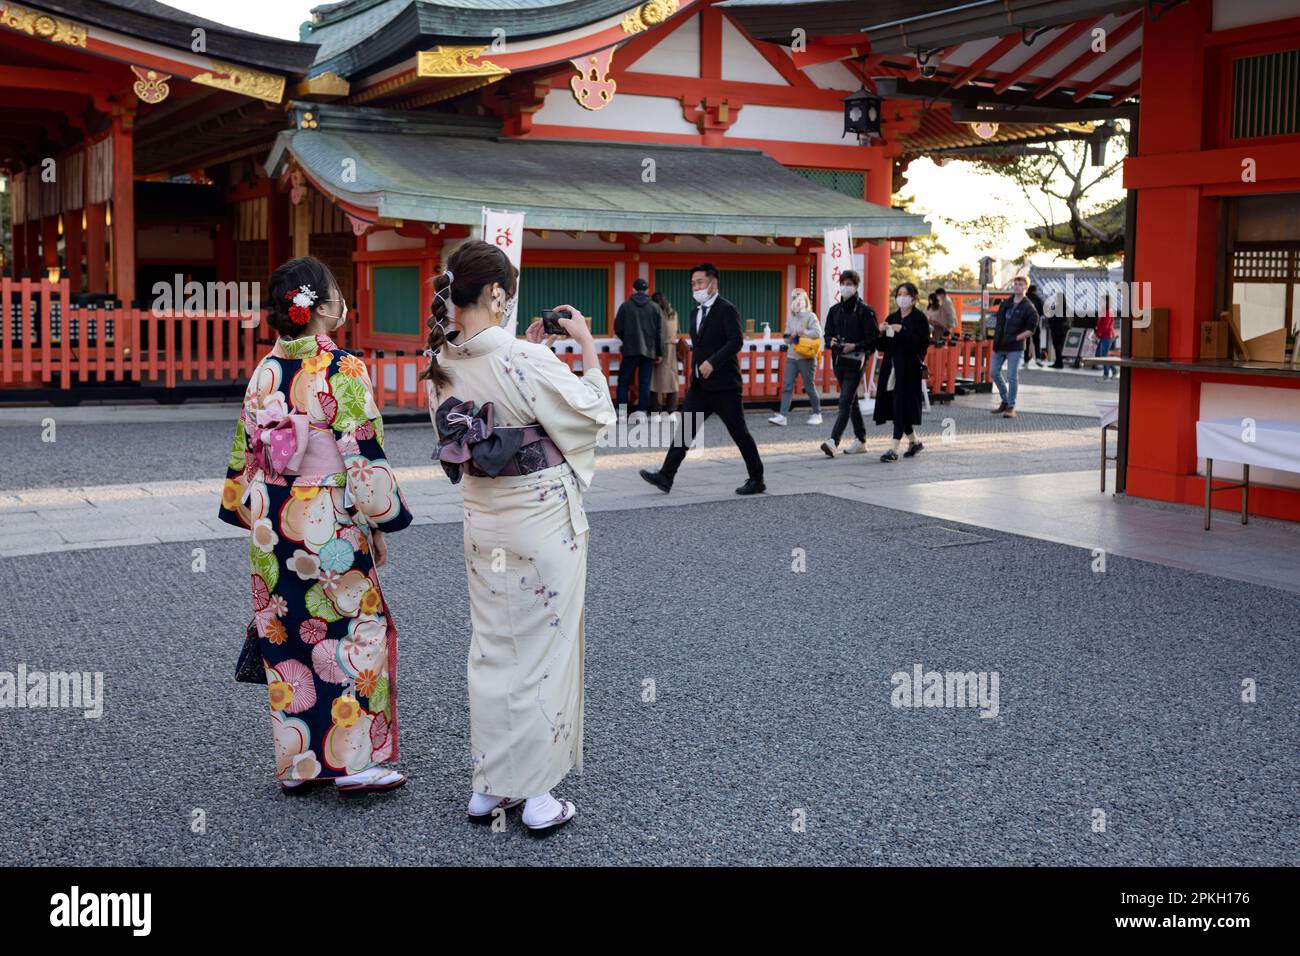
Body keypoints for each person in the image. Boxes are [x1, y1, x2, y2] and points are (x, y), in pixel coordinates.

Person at [422, 240, 615, 833]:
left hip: (482, 513)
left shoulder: (440, 360)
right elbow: (590, 411)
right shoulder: (522, 358)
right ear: (498, 293)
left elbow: (495, 398)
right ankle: (535, 797)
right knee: (542, 650)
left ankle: (490, 786)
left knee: (494, 646)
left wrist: (528, 353)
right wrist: (583, 344)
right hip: (538, 519)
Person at [218, 255, 414, 794]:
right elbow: (361, 448)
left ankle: (300, 763)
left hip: (270, 517)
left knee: (286, 638)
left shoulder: (265, 369)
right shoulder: (342, 367)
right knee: (353, 628)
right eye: (336, 293)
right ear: (323, 308)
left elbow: (247, 449)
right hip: (327, 516)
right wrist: (380, 514)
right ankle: (353, 764)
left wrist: (246, 506)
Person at [639, 262, 765, 495]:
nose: (695, 287)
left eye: (700, 282)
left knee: (739, 432)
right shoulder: (695, 312)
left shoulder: (726, 309)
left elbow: (735, 341)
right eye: (693, 283)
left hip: (725, 386)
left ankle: (757, 478)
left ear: (713, 283)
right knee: (685, 430)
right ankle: (666, 476)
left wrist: (712, 362)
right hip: (701, 386)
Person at [819, 269, 878, 457]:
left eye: (849, 284)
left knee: (844, 400)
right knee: (851, 401)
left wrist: (855, 345)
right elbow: (827, 334)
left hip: (856, 362)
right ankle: (861, 440)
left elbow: (873, 339)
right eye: (843, 283)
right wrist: (831, 342)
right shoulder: (834, 310)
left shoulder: (865, 311)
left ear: (856, 286)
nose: (846, 287)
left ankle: (833, 441)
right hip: (838, 361)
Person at [874, 282, 931, 461]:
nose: (902, 297)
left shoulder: (920, 319)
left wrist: (903, 331)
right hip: (891, 368)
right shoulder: (892, 317)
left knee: (900, 405)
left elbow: (921, 344)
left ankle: (893, 448)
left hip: (909, 370)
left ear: (914, 298)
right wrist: (881, 333)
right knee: (897, 405)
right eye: (899, 294)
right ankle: (914, 441)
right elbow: (881, 346)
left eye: (906, 294)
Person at [768, 286, 823, 426]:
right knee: (787, 386)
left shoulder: (811, 316)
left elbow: (817, 332)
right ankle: (783, 416)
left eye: (799, 299)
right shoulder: (791, 318)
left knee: (809, 386)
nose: (797, 302)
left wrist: (802, 332)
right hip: (792, 356)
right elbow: (786, 339)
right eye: (794, 299)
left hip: (806, 357)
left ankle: (817, 413)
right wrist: (790, 336)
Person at [990, 274, 1039, 418]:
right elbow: (999, 323)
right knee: (993, 372)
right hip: (1000, 344)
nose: (1017, 286)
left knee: (1012, 376)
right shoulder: (1005, 303)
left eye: (1020, 284)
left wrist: (1017, 338)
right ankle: (1005, 399)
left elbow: (1031, 329)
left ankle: (1011, 406)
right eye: (1016, 283)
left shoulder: (1029, 307)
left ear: (1026, 287)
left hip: (1015, 347)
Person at [613, 277, 663, 415]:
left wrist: (627, 339)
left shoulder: (625, 306)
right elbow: (659, 332)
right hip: (649, 350)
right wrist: (659, 353)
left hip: (630, 349)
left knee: (623, 380)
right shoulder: (655, 307)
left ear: (633, 289)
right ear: (647, 290)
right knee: (645, 382)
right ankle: (641, 411)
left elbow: (617, 328)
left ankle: (622, 412)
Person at [650, 290, 680, 412]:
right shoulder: (673, 314)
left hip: (659, 347)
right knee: (672, 379)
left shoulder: (656, 314)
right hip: (672, 348)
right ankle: (672, 409)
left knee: (656, 380)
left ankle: (656, 409)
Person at [1023, 282, 1047, 367]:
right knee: (1036, 340)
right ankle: (1038, 358)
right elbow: (1043, 310)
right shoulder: (1038, 299)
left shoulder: (1025, 298)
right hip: (1036, 322)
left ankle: (1026, 359)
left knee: (1026, 342)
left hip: (1025, 323)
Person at [1095, 292, 1117, 379]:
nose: (1099, 302)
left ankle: (1106, 375)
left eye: (1101, 301)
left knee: (1104, 355)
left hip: (1107, 335)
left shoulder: (1108, 312)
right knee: (1102, 355)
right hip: (1105, 335)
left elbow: (1105, 326)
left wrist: (1098, 333)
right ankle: (1113, 369)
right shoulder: (1105, 311)